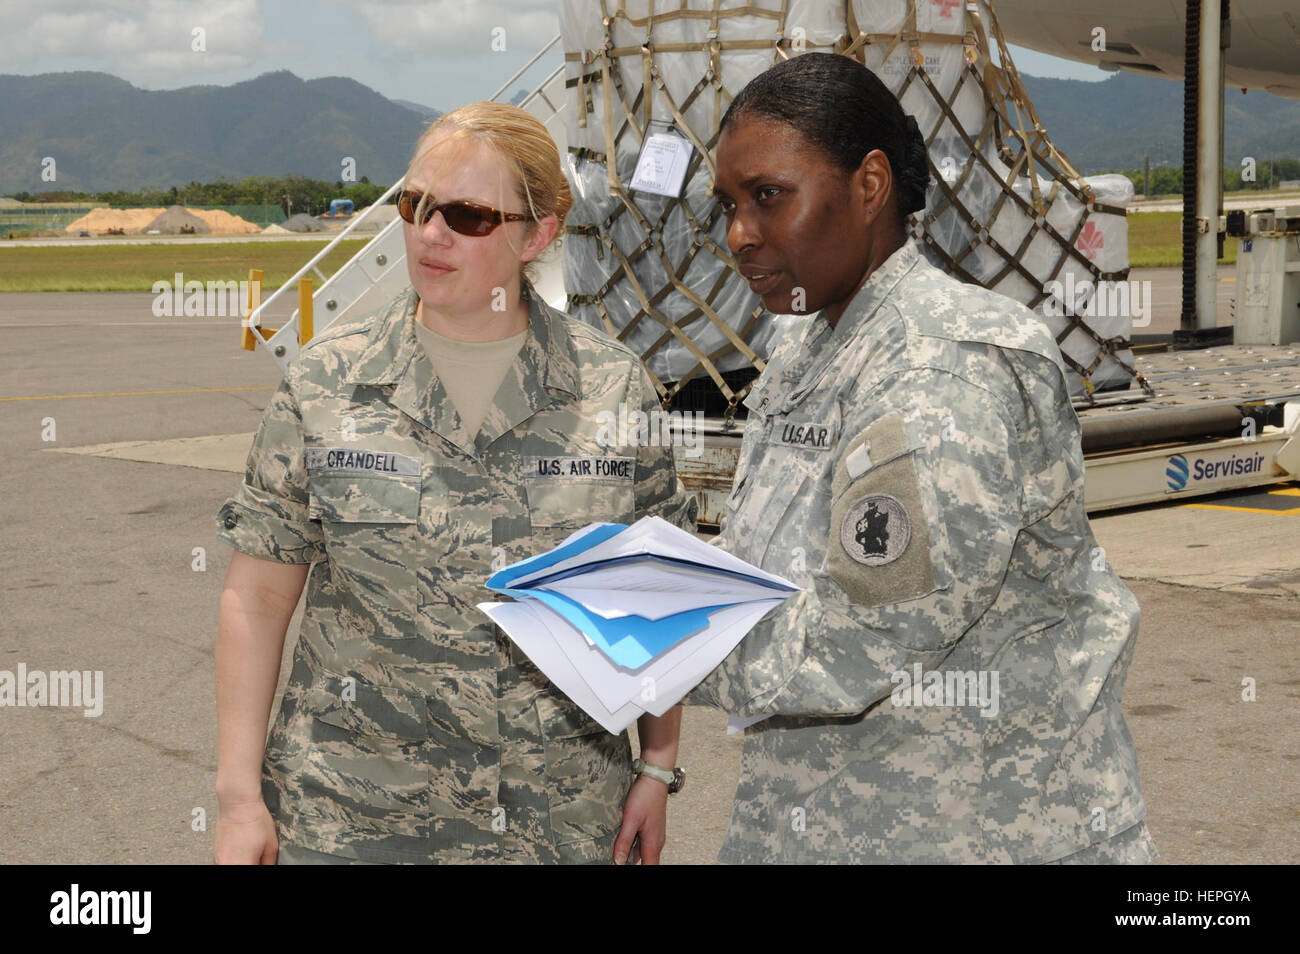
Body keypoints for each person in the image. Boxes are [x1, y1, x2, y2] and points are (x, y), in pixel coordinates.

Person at [686, 52, 1156, 864]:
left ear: (870, 185)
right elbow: (771, 562)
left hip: (977, 835)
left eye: (768, 196)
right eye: (728, 204)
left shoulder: (945, 365)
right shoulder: (810, 347)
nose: (738, 234)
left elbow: (864, 637)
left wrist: (647, 642)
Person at [213, 102, 696, 865]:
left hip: (556, 821)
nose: (429, 233)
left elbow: (658, 596)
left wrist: (657, 764)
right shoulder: (327, 383)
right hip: (353, 818)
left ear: (536, 236)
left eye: (468, 216)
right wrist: (240, 800)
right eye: (415, 205)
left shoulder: (611, 390)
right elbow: (257, 599)